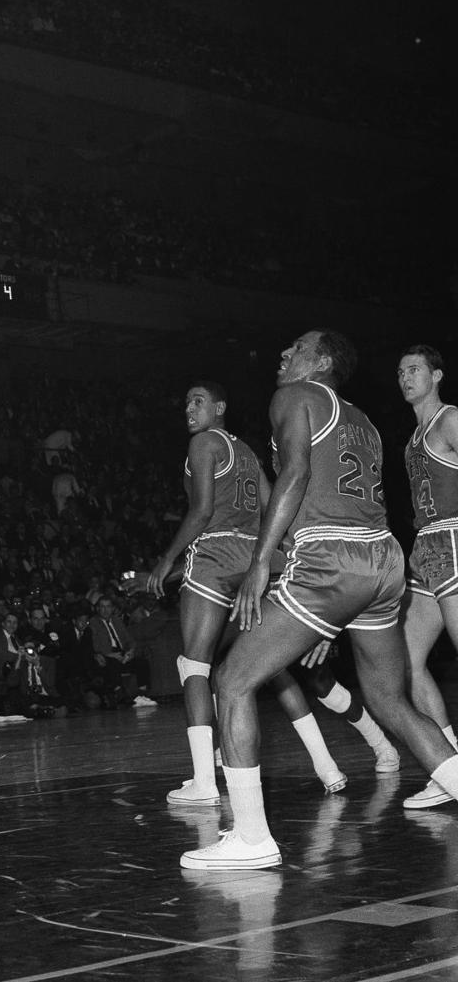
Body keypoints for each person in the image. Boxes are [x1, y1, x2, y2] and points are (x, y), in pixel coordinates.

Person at [182, 330, 458, 871]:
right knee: (391, 699)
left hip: (332, 559)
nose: (283, 355)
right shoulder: (367, 423)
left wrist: (263, 561)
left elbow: (297, 474)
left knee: (233, 680)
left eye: (297, 350)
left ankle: (253, 838)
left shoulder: (295, 396)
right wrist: (326, 623)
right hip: (386, 560)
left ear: (322, 362)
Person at [147, 381, 385, 806]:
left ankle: (204, 782)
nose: (189, 407)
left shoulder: (204, 444)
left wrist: (167, 559)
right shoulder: (246, 451)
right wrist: (284, 550)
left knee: (195, 667)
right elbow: (270, 500)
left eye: (197, 400)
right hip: (258, 552)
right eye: (186, 401)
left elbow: (201, 511)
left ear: (220, 407)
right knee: (272, 668)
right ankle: (327, 766)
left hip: (217, 553)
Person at [396, 344, 458, 809]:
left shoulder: (450, 419)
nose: (405, 377)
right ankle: (451, 765)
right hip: (424, 549)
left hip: (453, 540)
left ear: (437, 375)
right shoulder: (411, 440)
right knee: (406, 662)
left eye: (414, 369)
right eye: (400, 372)